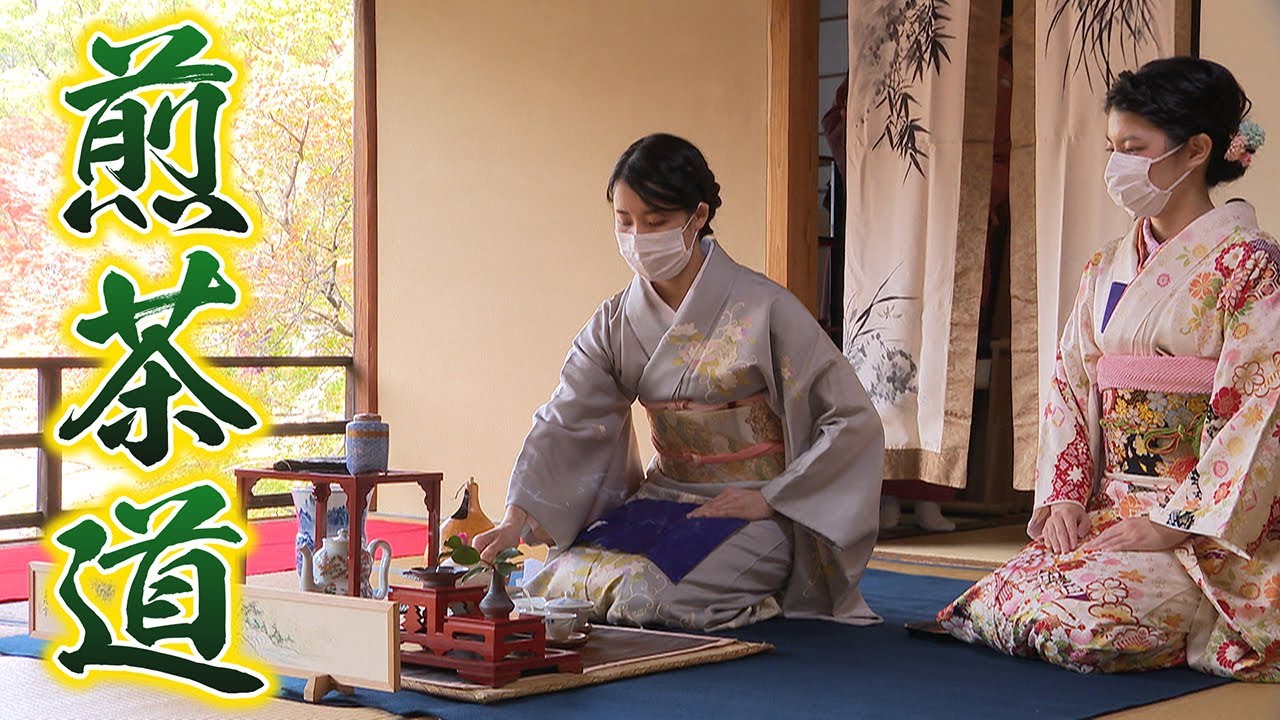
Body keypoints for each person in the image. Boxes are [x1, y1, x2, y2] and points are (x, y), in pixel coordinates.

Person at [937, 57, 1280, 681]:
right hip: (1110, 507)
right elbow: (1071, 386)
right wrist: (1066, 498)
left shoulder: (1251, 264)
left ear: (1197, 149)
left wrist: (1173, 523)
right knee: (992, 604)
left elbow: (1258, 408)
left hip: (1195, 527)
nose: (1116, 164)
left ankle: (1199, 607)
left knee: (1079, 624)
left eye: (1133, 147)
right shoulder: (1106, 266)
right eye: (1112, 146)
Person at [472, 133, 886, 631]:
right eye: (624, 222)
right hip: (664, 496)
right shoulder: (615, 322)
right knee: (558, 585)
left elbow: (850, 420)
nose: (639, 237)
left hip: (753, 507)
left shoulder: (766, 308)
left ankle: (762, 586)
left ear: (699, 216)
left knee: (647, 598)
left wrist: (773, 498)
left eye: (656, 222)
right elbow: (568, 414)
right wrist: (519, 513)